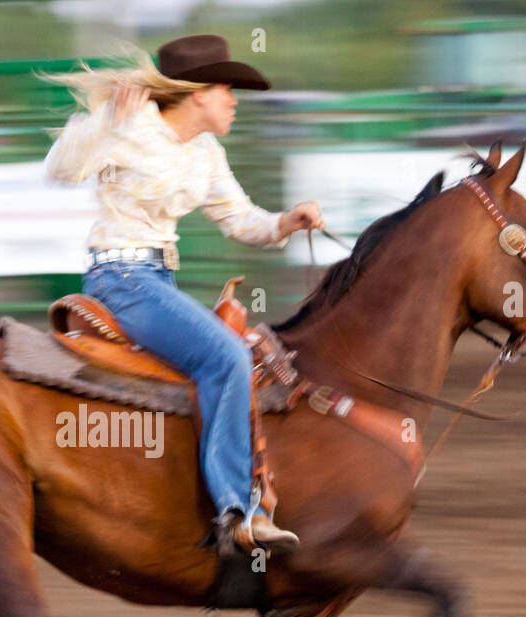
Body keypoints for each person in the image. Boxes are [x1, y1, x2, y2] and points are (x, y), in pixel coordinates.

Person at [38, 35, 324, 556]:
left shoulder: (207, 153)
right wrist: (103, 123)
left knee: (246, 357)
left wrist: (285, 221)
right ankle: (236, 510)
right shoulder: (128, 125)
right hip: (120, 278)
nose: (234, 100)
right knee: (227, 356)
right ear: (198, 93)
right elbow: (58, 170)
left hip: (156, 281)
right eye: (227, 90)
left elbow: (240, 219)